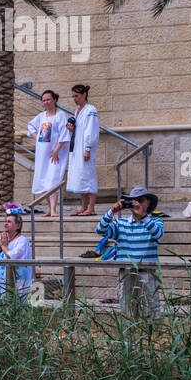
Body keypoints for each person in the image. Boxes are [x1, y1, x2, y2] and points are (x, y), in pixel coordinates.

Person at [96, 186, 165, 317]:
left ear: (148, 202)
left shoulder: (156, 221)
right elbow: (100, 230)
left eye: (141, 200)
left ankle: (152, 332)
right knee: (127, 308)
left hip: (147, 271)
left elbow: (157, 233)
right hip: (126, 271)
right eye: (134, 200)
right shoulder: (121, 223)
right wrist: (111, 211)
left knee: (151, 306)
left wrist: (143, 216)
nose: (137, 203)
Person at [28, 89, 72, 216]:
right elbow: (30, 126)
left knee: (53, 179)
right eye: (44, 100)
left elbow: (64, 136)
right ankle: (49, 209)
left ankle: (53, 209)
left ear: (55, 100)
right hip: (42, 154)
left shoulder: (61, 115)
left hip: (55, 154)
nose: (46, 102)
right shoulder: (41, 116)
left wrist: (56, 151)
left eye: (48, 99)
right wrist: (37, 138)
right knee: (44, 180)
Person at [68, 84, 100, 216]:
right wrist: (72, 129)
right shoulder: (77, 111)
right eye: (73, 96)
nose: (74, 99)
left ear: (84, 95)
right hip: (77, 147)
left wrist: (87, 148)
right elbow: (80, 129)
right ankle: (83, 207)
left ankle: (91, 208)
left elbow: (91, 131)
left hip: (85, 148)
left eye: (77, 96)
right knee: (81, 177)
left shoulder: (90, 110)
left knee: (89, 176)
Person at [0, 213, 33, 301]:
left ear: (18, 225)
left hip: (16, 283)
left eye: (9, 222)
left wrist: (3, 246)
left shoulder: (22, 241)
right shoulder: (3, 240)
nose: (5, 224)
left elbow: (12, 257)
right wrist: (0, 246)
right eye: (5, 221)